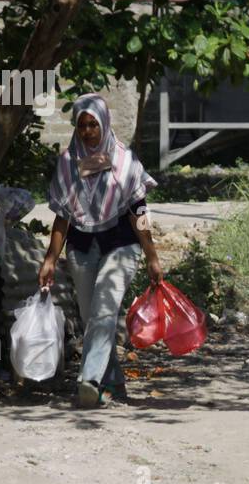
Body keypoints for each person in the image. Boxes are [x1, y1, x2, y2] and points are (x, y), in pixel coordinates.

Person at [38, 94, 163, 408]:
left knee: (105, 310)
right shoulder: (68, 163)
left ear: (104, 124)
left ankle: (89, 380)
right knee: (90, 316)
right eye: (83, 125)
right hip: (81, 247)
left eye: (94, 124)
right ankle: (114, 384)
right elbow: (62, 216)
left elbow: (139, 211)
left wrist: (152, 255)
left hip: (121, 243)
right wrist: (50, 259)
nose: (89, 131)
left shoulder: (125, 160)